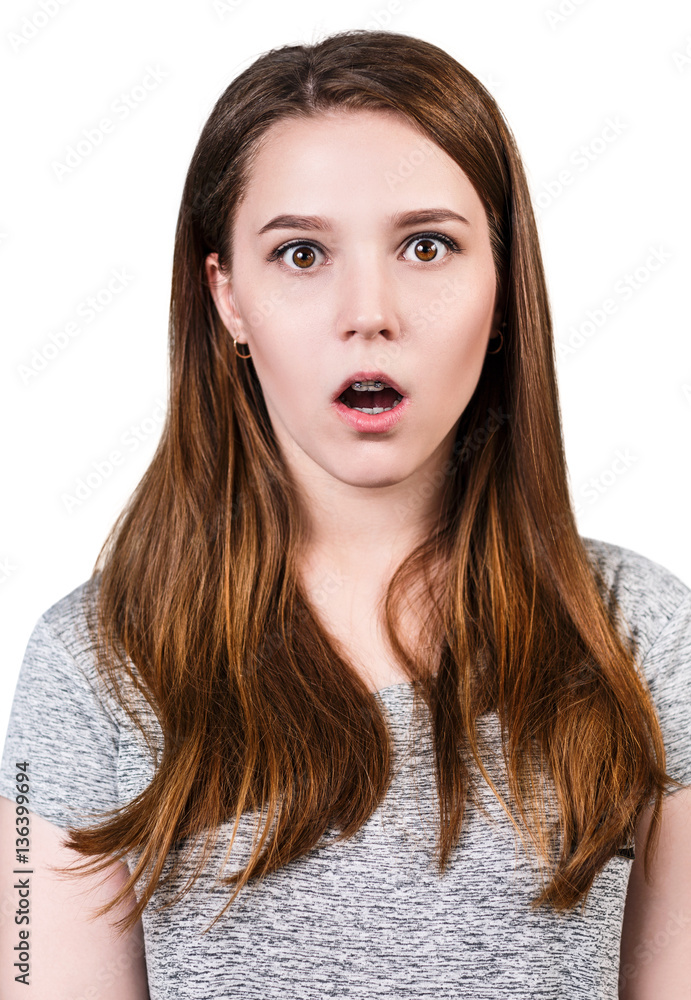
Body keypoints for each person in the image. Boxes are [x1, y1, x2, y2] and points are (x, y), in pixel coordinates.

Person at [1, 28, 690, 1000]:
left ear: (503, 288)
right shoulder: (90, 662)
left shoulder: (643, 635)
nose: (368, 310)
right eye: (300, 253)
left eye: (426, 245)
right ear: (226, 295)